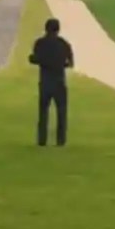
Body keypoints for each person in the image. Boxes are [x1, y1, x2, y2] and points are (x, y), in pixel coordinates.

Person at [28, 17, 74, 147]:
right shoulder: (64, 44)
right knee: (61, 112)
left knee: (43, 112)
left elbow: (35, 58)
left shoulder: (40, 43)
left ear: (46, 28)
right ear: (58, 29)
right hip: (59, 81)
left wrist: (40, 61)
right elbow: (70, 63)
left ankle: (42, 140)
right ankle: (61, 140)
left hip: (45, 81)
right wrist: (60, 64)